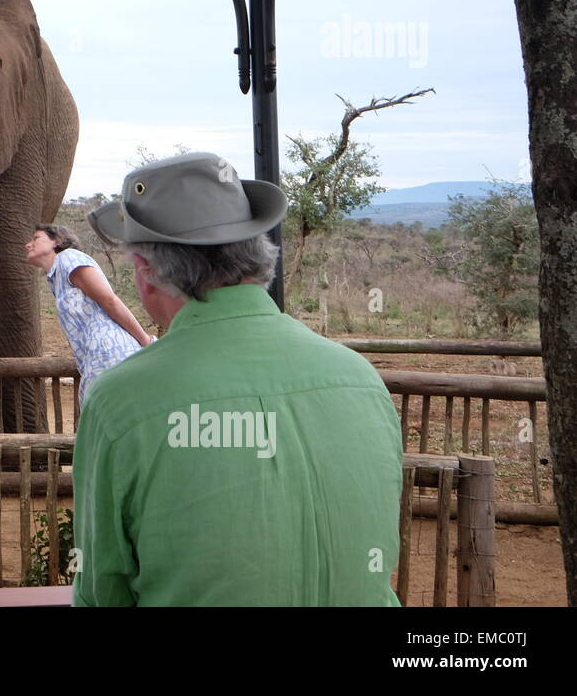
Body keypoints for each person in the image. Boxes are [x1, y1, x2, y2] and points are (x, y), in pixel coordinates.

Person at [73, 151, 403, 606]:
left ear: (147, 274)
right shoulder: (361, 379)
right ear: (258, 256)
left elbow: (101, 592)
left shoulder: (121, 401)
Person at [24, 224, 154, 404]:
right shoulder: (56, 278)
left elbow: (110, 300)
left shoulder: (68, 258)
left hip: (110, 353)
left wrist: (146, 341)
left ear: (58, 241)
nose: (28, 245)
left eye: (35, 238)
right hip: (96, 359)